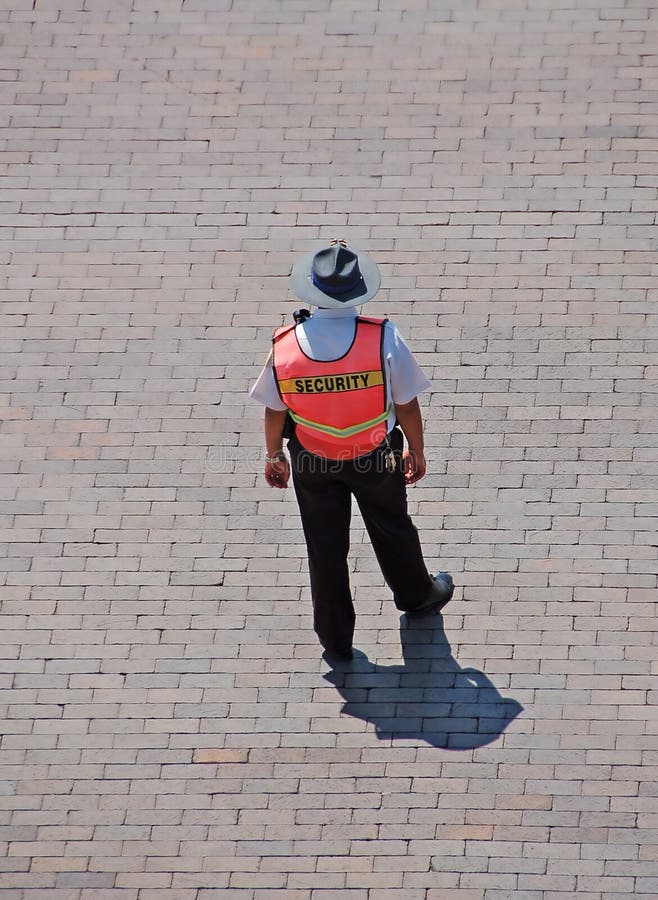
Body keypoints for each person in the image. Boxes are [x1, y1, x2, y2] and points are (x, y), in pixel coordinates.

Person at [250, 240, 455, 661]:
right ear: (359, 288)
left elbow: (274, 409)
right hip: (375, 453)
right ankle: (417, 596)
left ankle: (334, 636)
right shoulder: (382, 338)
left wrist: (275, 456)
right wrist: (416, 449)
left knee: (324, 546)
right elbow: (407, 402)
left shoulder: (285, 344)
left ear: (311, 290)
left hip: (312, 457)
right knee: (392, 526)